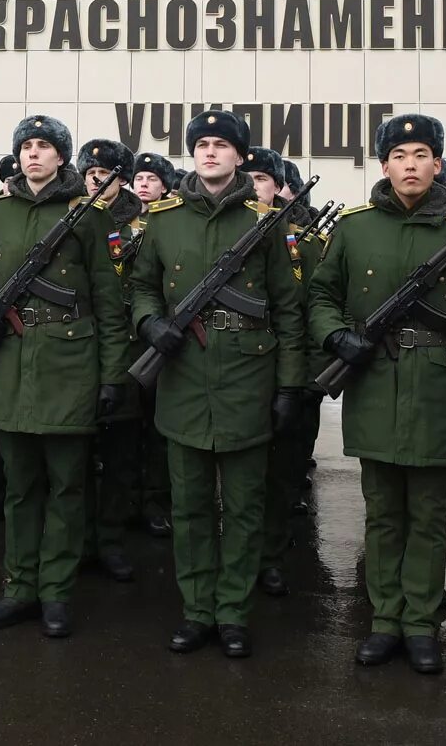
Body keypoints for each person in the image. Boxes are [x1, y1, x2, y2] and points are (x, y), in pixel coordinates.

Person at [310, 114, 446, 672]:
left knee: (431, 513)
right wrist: (337, 336)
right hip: (375, 381)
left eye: (421, 154)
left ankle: (421, 623)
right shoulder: (354, 227)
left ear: (437, 165)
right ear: (384, 164)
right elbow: (321, 296)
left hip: (440, 384)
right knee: (383, 511)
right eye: (399, 155)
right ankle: (385, 618)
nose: (410, 164)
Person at [129, 110, 306, 659]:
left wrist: (289, 387)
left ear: (239, 157)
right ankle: (197, 610)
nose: (209, 153)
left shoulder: (265, 222)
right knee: (190, 507)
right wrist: (150, 323)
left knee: (246, 508)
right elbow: (140, 287)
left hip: (247, 377)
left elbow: (289, 309)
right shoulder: (163, 219)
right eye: (201, 144)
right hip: (183, 377)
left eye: (221, 146)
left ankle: (233, 612)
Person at [0, 115, 129, 638]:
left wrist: (110, 378)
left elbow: (108, 301)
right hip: (10, 361)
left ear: (62, 157)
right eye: (26, 147)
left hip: (68, 364)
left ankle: (55, 591)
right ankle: (20, 587)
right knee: (18, 487)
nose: (34, 155)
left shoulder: (88, 216)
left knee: (66, 487)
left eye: (44, 147)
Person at [245, 146, 321, 599]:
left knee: (282, 472)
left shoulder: (305, 243)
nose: (255, 186)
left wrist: (307, 382)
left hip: (295, 376)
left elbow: (319, 310)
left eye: (262, 179)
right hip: (242, 370)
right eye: (248, 177)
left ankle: (269, 554)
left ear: (279, 188)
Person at [89, 141, 159, 581]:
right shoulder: (71, 217)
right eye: (91, 172)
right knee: (75, 456)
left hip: (129, 352)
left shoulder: (148, 225)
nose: (98, 179)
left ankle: (110, 539)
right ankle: (77, 540)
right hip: (77, 349)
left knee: (121, 453)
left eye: (108, 172)